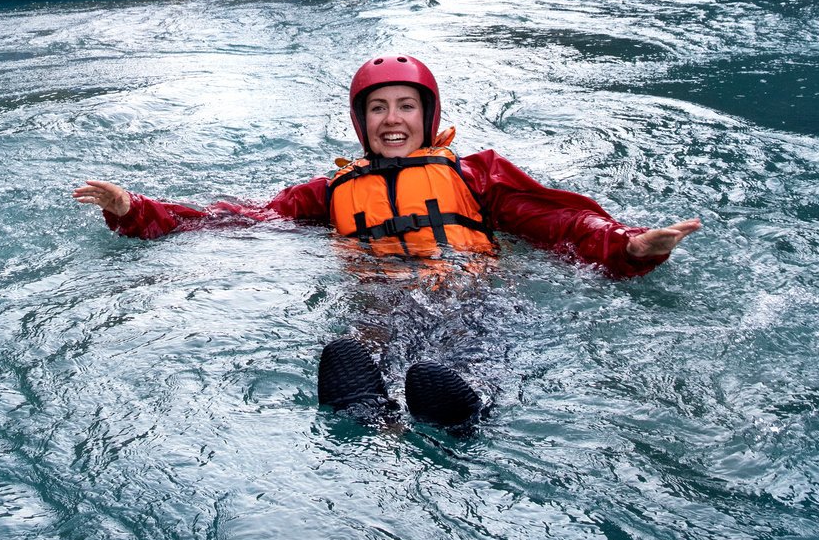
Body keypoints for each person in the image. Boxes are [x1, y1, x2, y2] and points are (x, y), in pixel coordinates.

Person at [74, 54, 700, 430]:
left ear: (428, 117)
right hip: (382, 294)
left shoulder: (474, 174)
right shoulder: (328, 190)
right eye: (377, 109)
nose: (392, 119)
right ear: (361, 121)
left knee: (458, 346)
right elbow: (238, 220)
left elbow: (559, 224)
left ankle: (462, 412)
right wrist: (138, 211)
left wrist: (627, 247)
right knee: (367, 338)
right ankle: (371, 412)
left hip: (465, 288)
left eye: (405, 106)